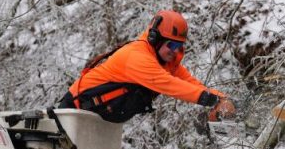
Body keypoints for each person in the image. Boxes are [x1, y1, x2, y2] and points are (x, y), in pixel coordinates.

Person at [59, 10, 235, 123]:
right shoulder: (137, 56)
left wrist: (223, 98)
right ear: (155, 39)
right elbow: (168, 84)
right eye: (172, 45)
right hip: (75, 110)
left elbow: (191, 83)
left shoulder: (166, 61)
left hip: (99, 119)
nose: (175, 51)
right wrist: (212, 100)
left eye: (179, 46)